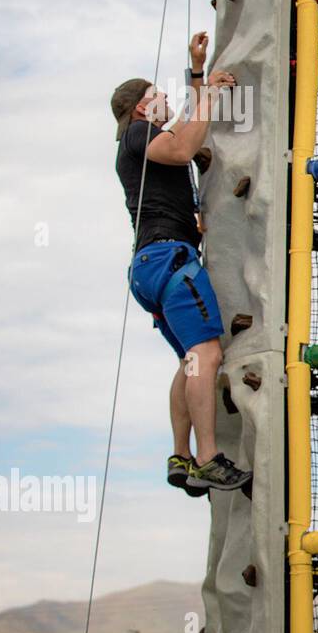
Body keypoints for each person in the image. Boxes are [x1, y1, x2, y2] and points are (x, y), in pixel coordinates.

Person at [112, 31, 252, 495]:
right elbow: (184, 146)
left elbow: (188, 127)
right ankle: (209, 458)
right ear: (139, 108)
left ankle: (182, 455)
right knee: (208, 354)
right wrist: (209, 92)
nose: (166, 97)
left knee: (190, 363)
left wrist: (197, 69)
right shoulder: (139, 135)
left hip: (152, 266)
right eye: (157, 95)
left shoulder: (139, 138)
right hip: (170, 258)